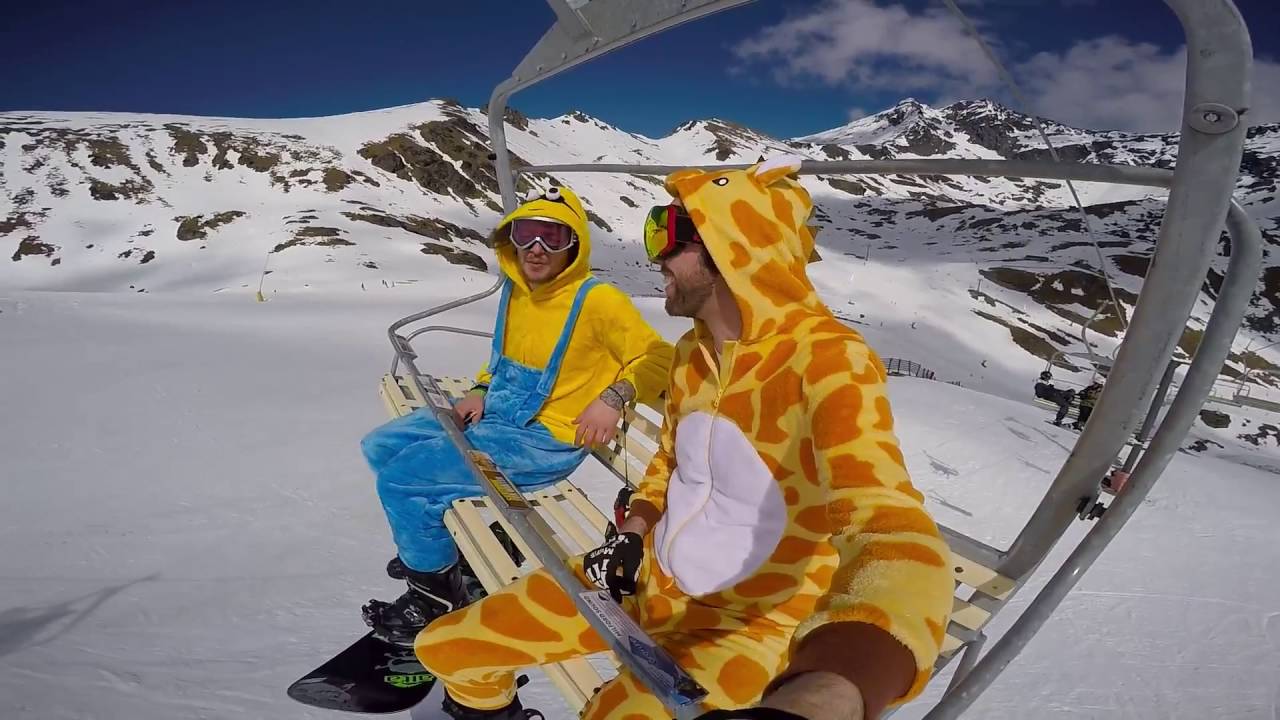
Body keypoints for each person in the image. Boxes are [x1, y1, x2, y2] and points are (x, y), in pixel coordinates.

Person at [413, 157, 955, 720]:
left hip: (748, 625)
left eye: (669, 235)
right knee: (446, 649)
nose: (657, 257)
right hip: (643, 577)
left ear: (734, 246)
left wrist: (835, 688)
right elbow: (670, 461)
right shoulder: (691, 356)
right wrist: (634, 531)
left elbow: (889, 529)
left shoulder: (825, 359)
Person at [359, 185, 674, 646]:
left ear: (575, 245)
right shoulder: (517, 292)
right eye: (526, 234)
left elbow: (658, 356)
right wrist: (480, 390)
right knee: (380, 446)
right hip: (497, 414)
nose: (536, 249)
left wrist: (614, 398)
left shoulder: (597, 300)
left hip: (542, 439)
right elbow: (501, 359)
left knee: (402, 479)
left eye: (553, 237)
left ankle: (436, 594)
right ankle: (438, 548)